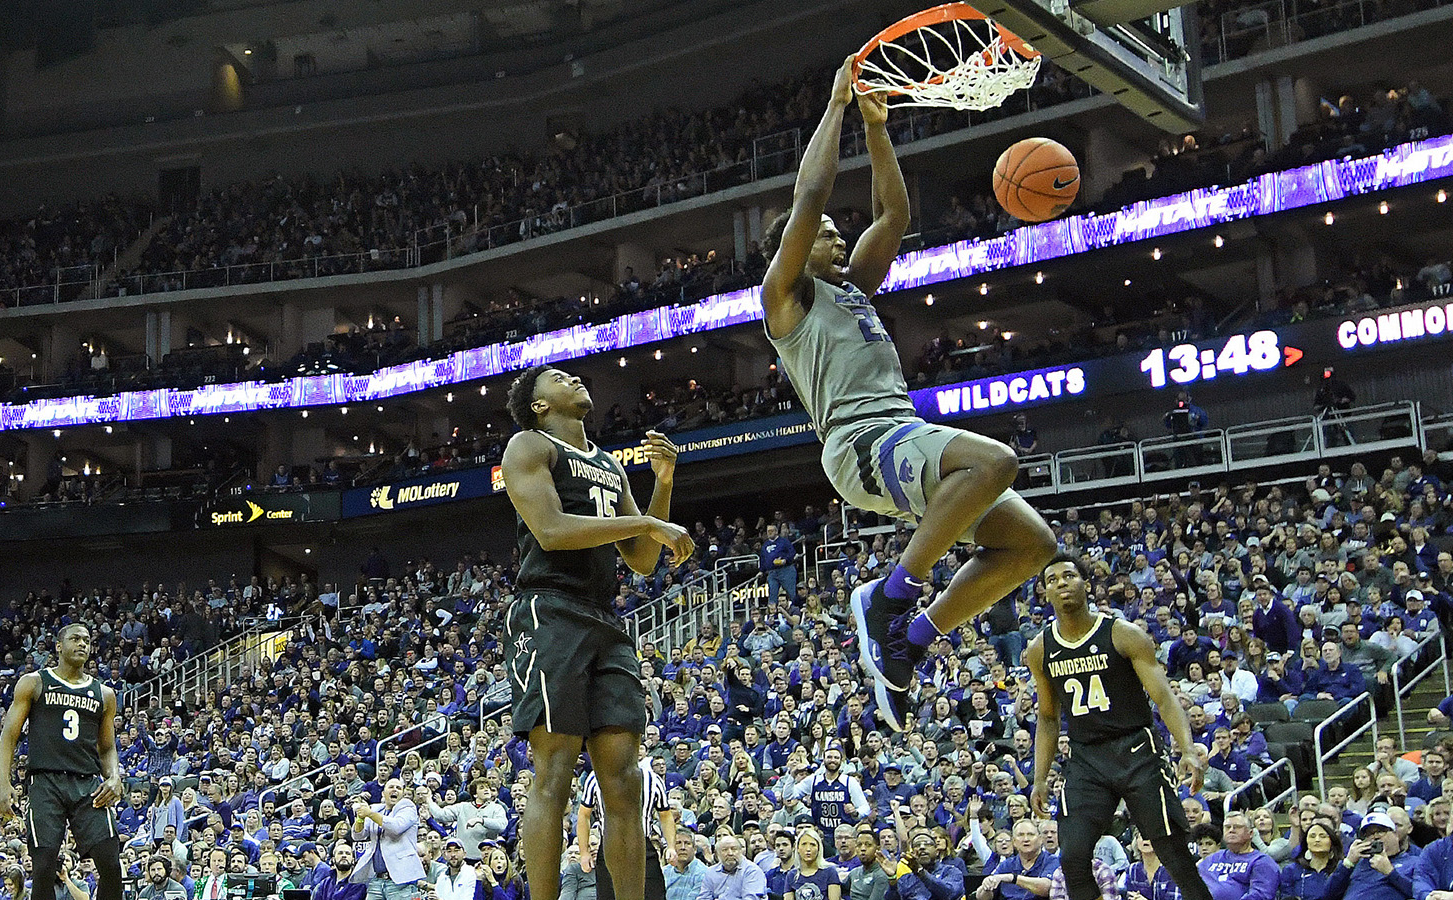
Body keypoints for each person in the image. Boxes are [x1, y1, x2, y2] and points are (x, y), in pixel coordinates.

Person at [758, 56, 1056, 732]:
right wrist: (835, 108)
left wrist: (877, 128)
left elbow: (894, 212)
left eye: (838, 230)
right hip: (859, 443)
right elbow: (809, 199)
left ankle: (909, 642)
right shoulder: (785, 299)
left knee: (1033, 545)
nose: (836, 233)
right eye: (826, 232)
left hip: (896, 435)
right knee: (993, 462)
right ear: (793, 250)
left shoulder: (852, 289)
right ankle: (892, 596)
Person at [501, 365, 695, 900]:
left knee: (625, 780)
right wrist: (646, 524)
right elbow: (553, 531)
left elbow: (642, 560)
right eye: (559, 378)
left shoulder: (608, 463)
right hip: (549, 610)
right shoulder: (529, 446)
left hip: (604, 618)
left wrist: (663, 487)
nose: (575, 380)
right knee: (555, 770)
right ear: (539, 404)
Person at [1025, 553, 1214, 900]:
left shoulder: (1123, 634)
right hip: (1086, 758)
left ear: (1086, 584)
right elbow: (1049, 718)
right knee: (1073, 856)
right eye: (1052, 580)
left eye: (1069, 576)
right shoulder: (1040, 649)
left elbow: (1165, 698)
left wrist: (1187, 747)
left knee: (1172, 848)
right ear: (1045, 594)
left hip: (1137, 749)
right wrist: (1039, 776)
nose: (1061, 583)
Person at [0, 624, 124, 900]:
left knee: (111, 863)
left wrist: (114, 776)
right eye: (75, 639)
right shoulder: (34, 682)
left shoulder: (105, 694)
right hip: (45, 783)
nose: (82, 644)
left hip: (87, 784)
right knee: (43, 867)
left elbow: (107, 747)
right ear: (58, 646)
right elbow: (8, 737)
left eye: (87, 640)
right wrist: (3, 784)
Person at [577, 760, 677, 900]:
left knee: (653, 894)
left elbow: (665, 815)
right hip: (609, 845)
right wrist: (584, 852)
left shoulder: (652, 779)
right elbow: (584, 815)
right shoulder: (595, 777)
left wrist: (671, 846)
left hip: (642, 845)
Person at [349, 780, 424, 900]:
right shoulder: (376, 809)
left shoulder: (408, 808)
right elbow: (358, 836)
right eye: (391, 787)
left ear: (403, 794)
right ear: (383, 793)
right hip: (376, 880)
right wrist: (360, 819)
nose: (395, 790)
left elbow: (396, 827)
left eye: (399, 788)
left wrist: (370, 814)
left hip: (401, 881)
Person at [1195, 815, 1278, 900]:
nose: (1231, 830)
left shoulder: (1261, 861)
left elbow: (1260, 895)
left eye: (1237, 827)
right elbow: (1191, 886)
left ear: (1250, 833)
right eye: (1227, 827)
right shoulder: (1211, 859)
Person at [1277, 822, 1338, 900]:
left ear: (1332, 842)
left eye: (1322, 836)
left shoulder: (1339, 870)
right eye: (1312, 836)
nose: (1317, 840)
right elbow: (1286, 896)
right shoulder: (1291, 870)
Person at [697, 836, 767, 900]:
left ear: (740, 851)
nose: (730, 853)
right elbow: (704, 898)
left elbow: (751, 898)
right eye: (725, 850)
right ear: (717, 854)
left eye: (734, 849)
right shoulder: (711, 872)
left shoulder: (752, 871)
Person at [784, 830, 839, 900]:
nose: (808, 849)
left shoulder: (830, 872)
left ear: (819, 848)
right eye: (804, 844)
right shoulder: (791, 875)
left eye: (813, 845)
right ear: (797, 848)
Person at [662, 830, 707, 900]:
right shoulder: (664, 872)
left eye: (687, 843)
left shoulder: (703, 873)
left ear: (695, 849)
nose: (682, 847)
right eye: (678, 843)